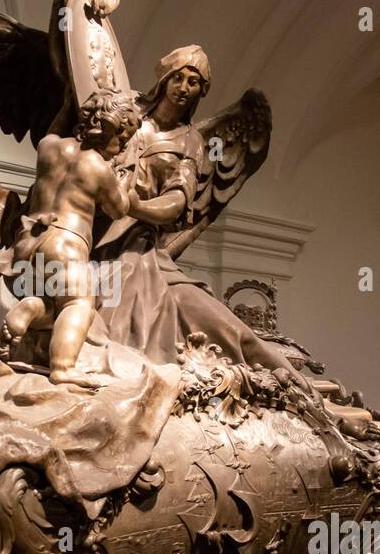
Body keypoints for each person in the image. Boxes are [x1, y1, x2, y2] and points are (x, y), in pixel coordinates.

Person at [91, 46, 313, 387]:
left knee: (224, 325)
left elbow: (177, 204)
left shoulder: (193, 142)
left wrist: (133, 207)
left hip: (143, 249)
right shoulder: (126, 111)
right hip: (95, 241)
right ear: (164, 79)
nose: (183, 87)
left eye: (194, 82)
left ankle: (300, 388)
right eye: (178, 77)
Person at [0, 89, 139, 387]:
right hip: (66, 244)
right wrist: (126, 179)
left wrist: (66, 102)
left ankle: (31, 307)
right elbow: (119, 209)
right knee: (78, 305)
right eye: (123, 139)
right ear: (114, 131)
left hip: (27, 241)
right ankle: (63, 367)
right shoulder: (99, 168)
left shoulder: (48, 147)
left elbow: (55, 128)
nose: (121, 146)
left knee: (52, 305)